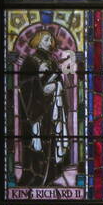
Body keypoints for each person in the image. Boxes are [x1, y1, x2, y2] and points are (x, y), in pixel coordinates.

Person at [17, 27, 69, 188]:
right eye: (46, 40)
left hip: (52, 108)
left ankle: (51, 176)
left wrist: (57, 86)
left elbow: (60, 81)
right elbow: (24, 85)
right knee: (37, 144)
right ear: (38, 41)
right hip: (36, 110)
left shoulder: (52, 60)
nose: (50, 43)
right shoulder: (30, 61)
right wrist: (40, 83)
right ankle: (35, 177)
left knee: (51, 142)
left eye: (51, 40)